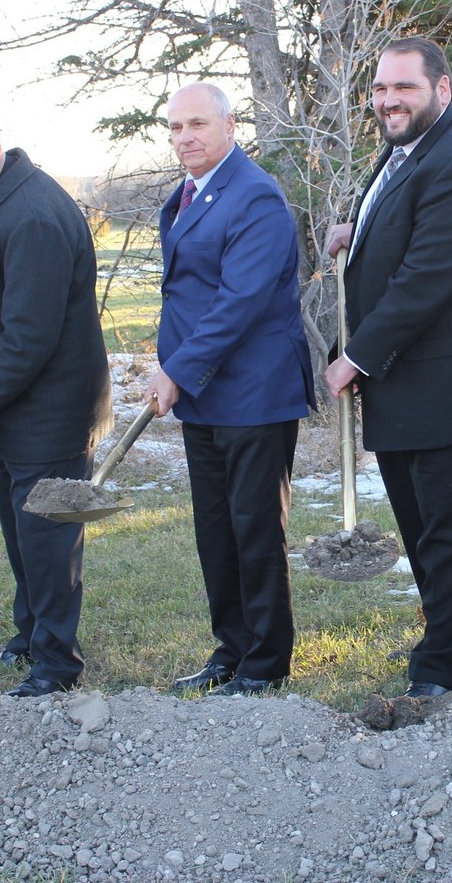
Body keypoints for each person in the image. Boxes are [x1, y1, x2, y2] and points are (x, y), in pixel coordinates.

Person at [324, 37, 452, 697]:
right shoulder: (408, 151)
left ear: (442, 90)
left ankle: (447, 670)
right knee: (431, 534)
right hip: (414, 386)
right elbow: (399, 232)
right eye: (381, 89)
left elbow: (425, 278)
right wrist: (352, 232)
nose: (389, 100)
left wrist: (354, 356)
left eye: (404, 88)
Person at [0, 101, 112, 699]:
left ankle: (57, 667)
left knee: (48, 540)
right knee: (20, 533)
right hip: (16, 409)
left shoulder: (31, 216)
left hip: (51, 411)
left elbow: (29, 339)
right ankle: (30, 638)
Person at [146, 83, 314, 697]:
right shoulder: (189, 193)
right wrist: (173, 369)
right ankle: (232, 649)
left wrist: (177, 370)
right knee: (215, 529)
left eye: (197, 124)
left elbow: (237, 303)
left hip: (254, 394)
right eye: (174, 127)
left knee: (255, 527)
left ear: (229, 125)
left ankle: (265, 664)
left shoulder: (256, 197)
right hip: (204, 394)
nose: (184, 137)